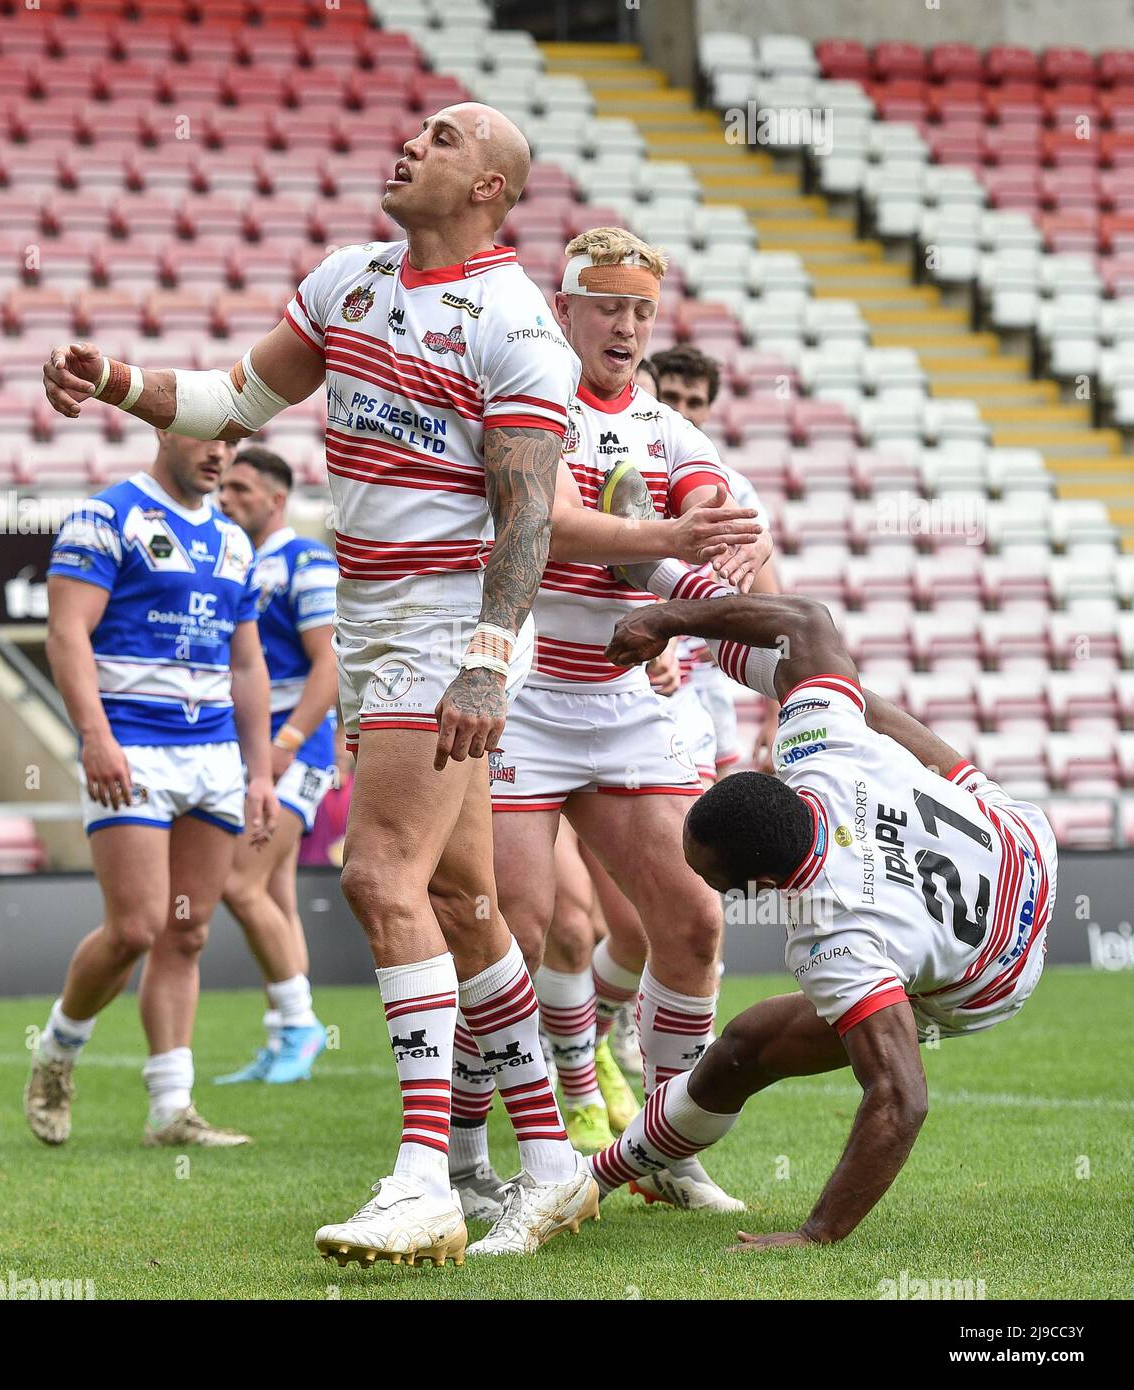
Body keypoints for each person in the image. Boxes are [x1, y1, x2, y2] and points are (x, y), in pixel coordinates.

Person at [42, 105, 750, 1264]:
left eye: (440, 136)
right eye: (415, 130)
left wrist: (486, 655)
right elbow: (232, 401)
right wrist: (113, 376)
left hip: (443, 619)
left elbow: (525, 512)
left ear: (489, 187)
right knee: (469, 903)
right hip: (371, 612)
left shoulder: (516, 321)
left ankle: (425, 1177)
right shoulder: (347, 281)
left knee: (380, 877)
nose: (410, 142)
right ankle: (555, 1161)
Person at [453, 227, 768, 1216]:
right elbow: (545, 524)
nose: (627, 327)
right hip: (528, 694)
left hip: (628, 701)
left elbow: (710, 503)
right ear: (567, 309)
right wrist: (670, 538)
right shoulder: (532, 397)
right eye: (609, 308)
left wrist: (720, 551)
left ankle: (668, 1148)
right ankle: (461, 1157)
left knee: (689, 918)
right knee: (507, 921)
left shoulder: (665, 426)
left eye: (641, 311)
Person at [592, 589, 1056, 1245]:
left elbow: (902, 1099)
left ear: (757, 884)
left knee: (754, 1049)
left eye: (712, 879)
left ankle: (604, 1174)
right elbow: (807, 621)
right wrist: (667, 619)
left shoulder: (835, 939)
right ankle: (617, 1176)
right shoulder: (814, 744)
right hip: (1023, 848)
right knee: (847, 703)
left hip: (994, 978)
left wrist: (817, 1234)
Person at [24, 433, 277, 1149]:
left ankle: (171, 1109)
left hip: (213, 756)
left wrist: (259, 772)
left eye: (234, 441)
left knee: (188, 929)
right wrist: (95, 735)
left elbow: (249, 665)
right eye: (209, 436)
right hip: (132, 747)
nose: (222, 453)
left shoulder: (233, 541)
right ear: (166, 429)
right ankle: (57, 1051)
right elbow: (67, 633)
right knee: (136, 926)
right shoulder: (106, 519)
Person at [215, 446, 338, 1086]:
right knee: (273, 892)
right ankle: (282, 1036)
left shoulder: (305, 561)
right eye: (223, 486)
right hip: (253, 747)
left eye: (240, 487)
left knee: (238, 883)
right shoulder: (235, 562)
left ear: (276, 499)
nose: (225, 496)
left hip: (295, 747)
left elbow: (329, 662)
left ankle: (300, 1024)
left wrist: (289, 740)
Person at [650, 345, 782, 777]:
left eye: (695, 402)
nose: (682, 412)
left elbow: (768, 605)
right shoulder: (623, 469)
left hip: (705, 673)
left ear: (709, 409)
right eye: (671, 397)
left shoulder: (734, 489)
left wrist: (775, 710)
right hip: (642, 666)